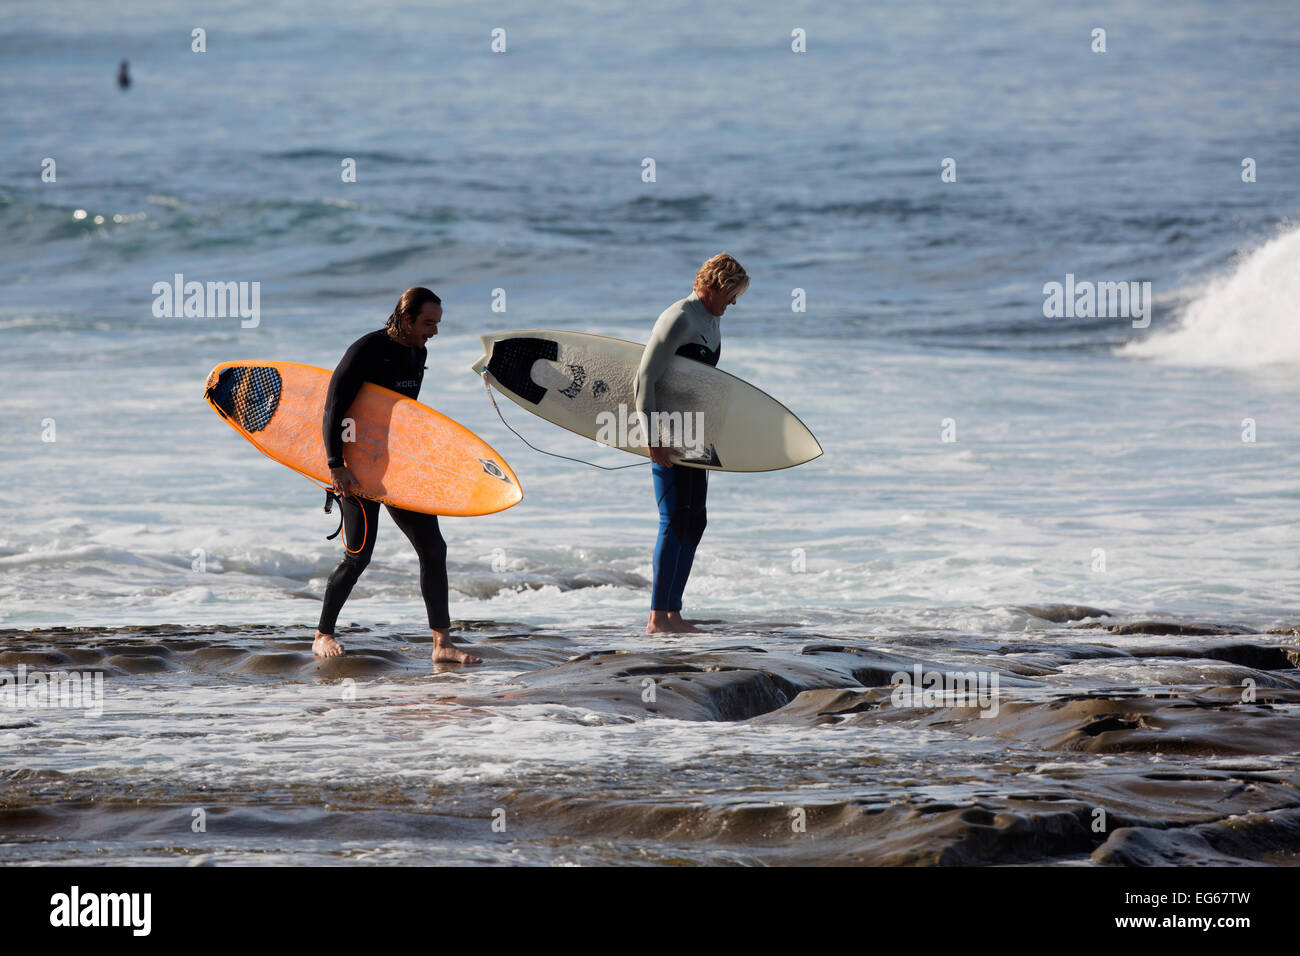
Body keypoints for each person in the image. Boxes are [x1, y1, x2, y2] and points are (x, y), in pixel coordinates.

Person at [313, 287, 480, 664]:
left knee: (434, 548)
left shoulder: (417, 351)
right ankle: (323, 634)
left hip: (398, 468)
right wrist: (336, 464)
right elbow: (332, 408)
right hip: (356, 468)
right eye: (428, 323)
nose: (434, 331)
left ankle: (442, 644)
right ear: (406, 318)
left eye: (437, 323)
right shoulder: (365, 351)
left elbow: (404, 415)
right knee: (358, 556)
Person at [633, 254, 748, 634]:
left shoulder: (711, 317)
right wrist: (652, 438)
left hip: (696, 431)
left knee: (694, 520)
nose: (734, 302)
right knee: (672, 520)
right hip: (668, 430)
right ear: (711, 286)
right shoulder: (678, 317)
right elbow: (643, 379)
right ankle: (657, 618)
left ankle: (673, 613)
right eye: (730, 294)